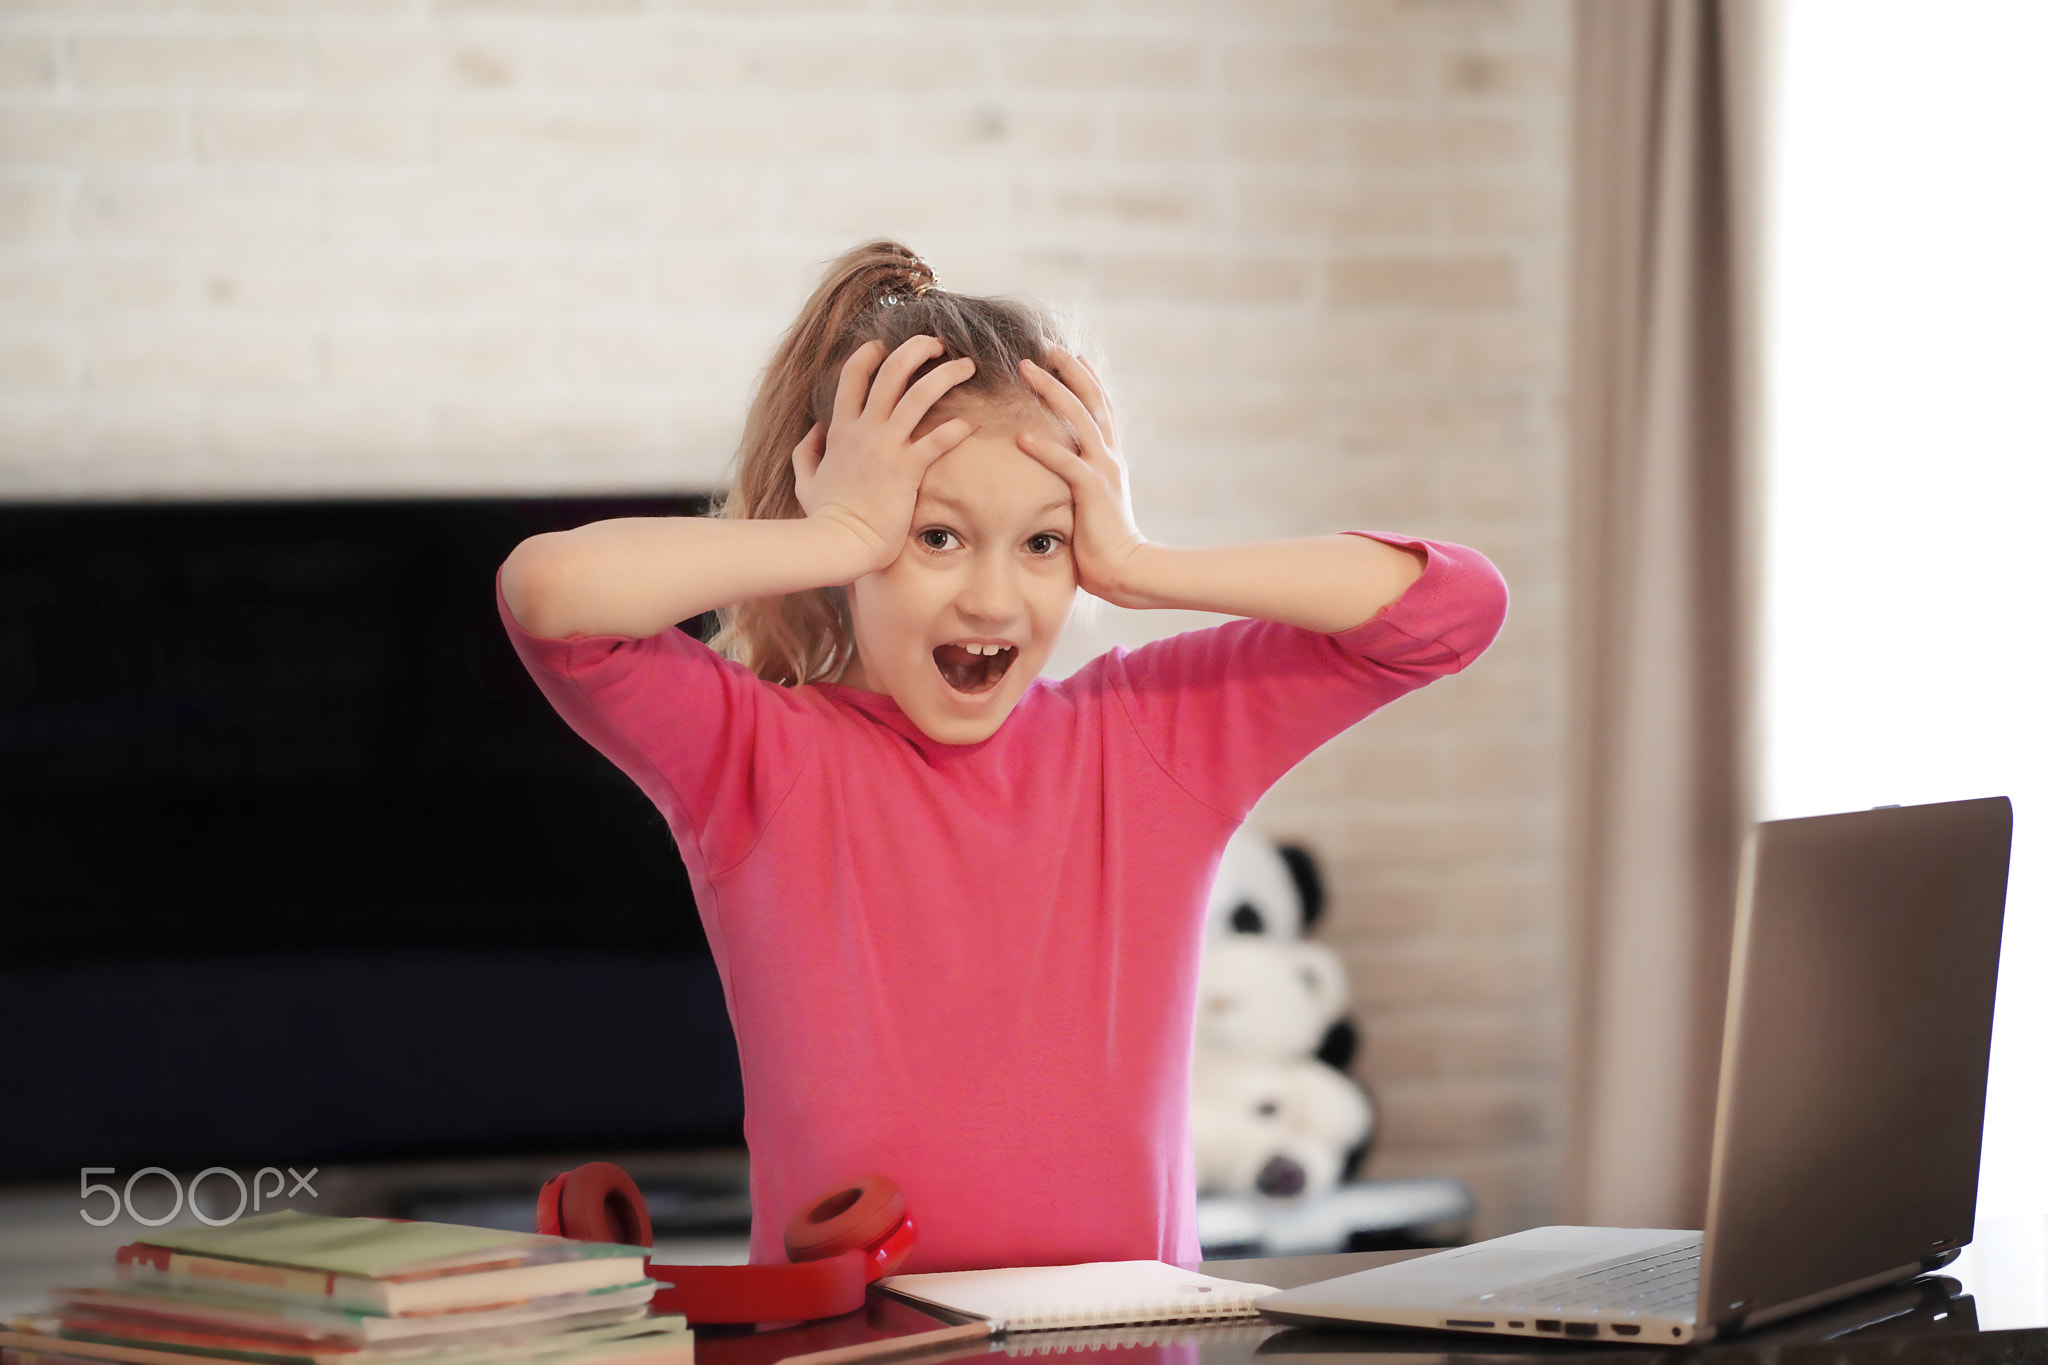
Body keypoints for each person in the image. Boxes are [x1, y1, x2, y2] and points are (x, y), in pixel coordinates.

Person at [499, 240, 1508, 1273]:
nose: (991, 599)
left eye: (1040, 543)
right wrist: (833, 532)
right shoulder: (756, 755)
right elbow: (549, 596)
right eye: (934, 537)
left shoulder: (1155, 739)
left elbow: (1451, 607)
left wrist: (1143, 566)